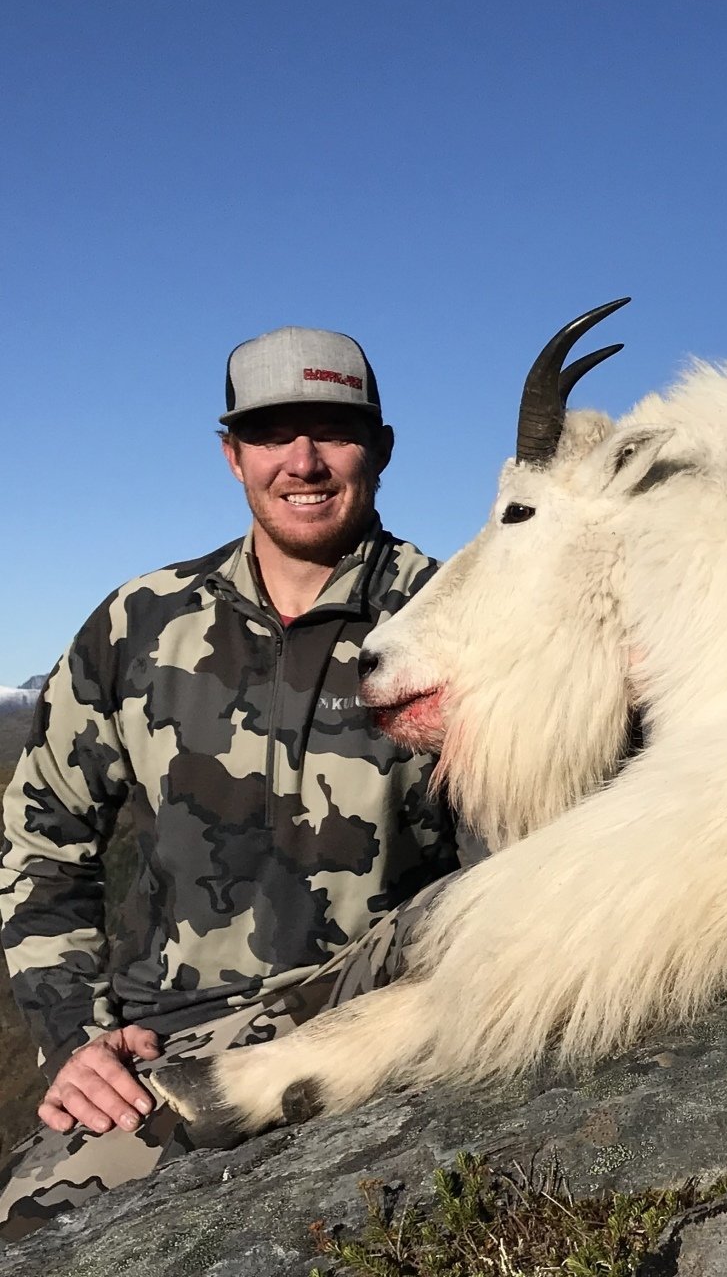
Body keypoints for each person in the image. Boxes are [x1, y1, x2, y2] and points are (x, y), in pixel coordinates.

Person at [0, 327, 461, 1235]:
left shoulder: (460, 620)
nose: (303, 460)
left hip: (382, 1017)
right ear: (231, 455)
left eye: (331, 428)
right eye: (270, 434)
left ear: (381, 448)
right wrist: (75, 1037)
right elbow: (40, 845)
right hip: (171, 1035)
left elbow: (538, 849)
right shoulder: (142, 623)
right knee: (32, 1229)